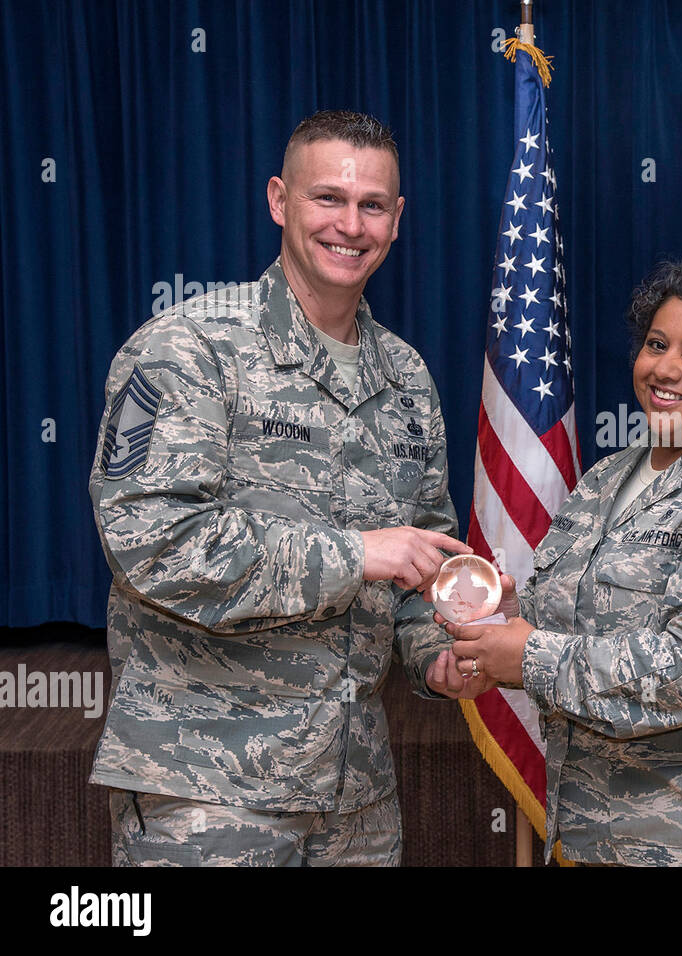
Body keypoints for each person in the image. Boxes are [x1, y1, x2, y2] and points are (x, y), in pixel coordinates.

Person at [89, 110, 484, 866]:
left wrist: (440, 653)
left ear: (397, 221)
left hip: (356, 798)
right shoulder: (189, 348)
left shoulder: (405, 379)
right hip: (206, 788)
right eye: (326, 198)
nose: (350, 224)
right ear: (279, 200)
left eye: (372, 205)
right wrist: (356, 553)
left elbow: (420, 567)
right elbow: (152, 545)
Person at [445, 254, 682, 865]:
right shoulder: (611, 475)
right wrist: (509, 612)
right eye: (655, 344)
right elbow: (588, 613)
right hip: (602, 835)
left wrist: (529, 655)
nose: (665, 369)